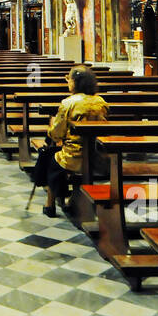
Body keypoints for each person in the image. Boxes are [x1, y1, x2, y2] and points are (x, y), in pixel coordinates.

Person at [31, 65, 108, 218]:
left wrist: (52, 125)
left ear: (75, 83)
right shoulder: (101, 102)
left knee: (48, 157)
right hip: (97, 154)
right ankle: (71, 198)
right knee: (52, 155)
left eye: (69, 80)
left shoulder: (68, 103)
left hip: (74, 156)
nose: (68, 83)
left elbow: (55, 134)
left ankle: (50, 204)